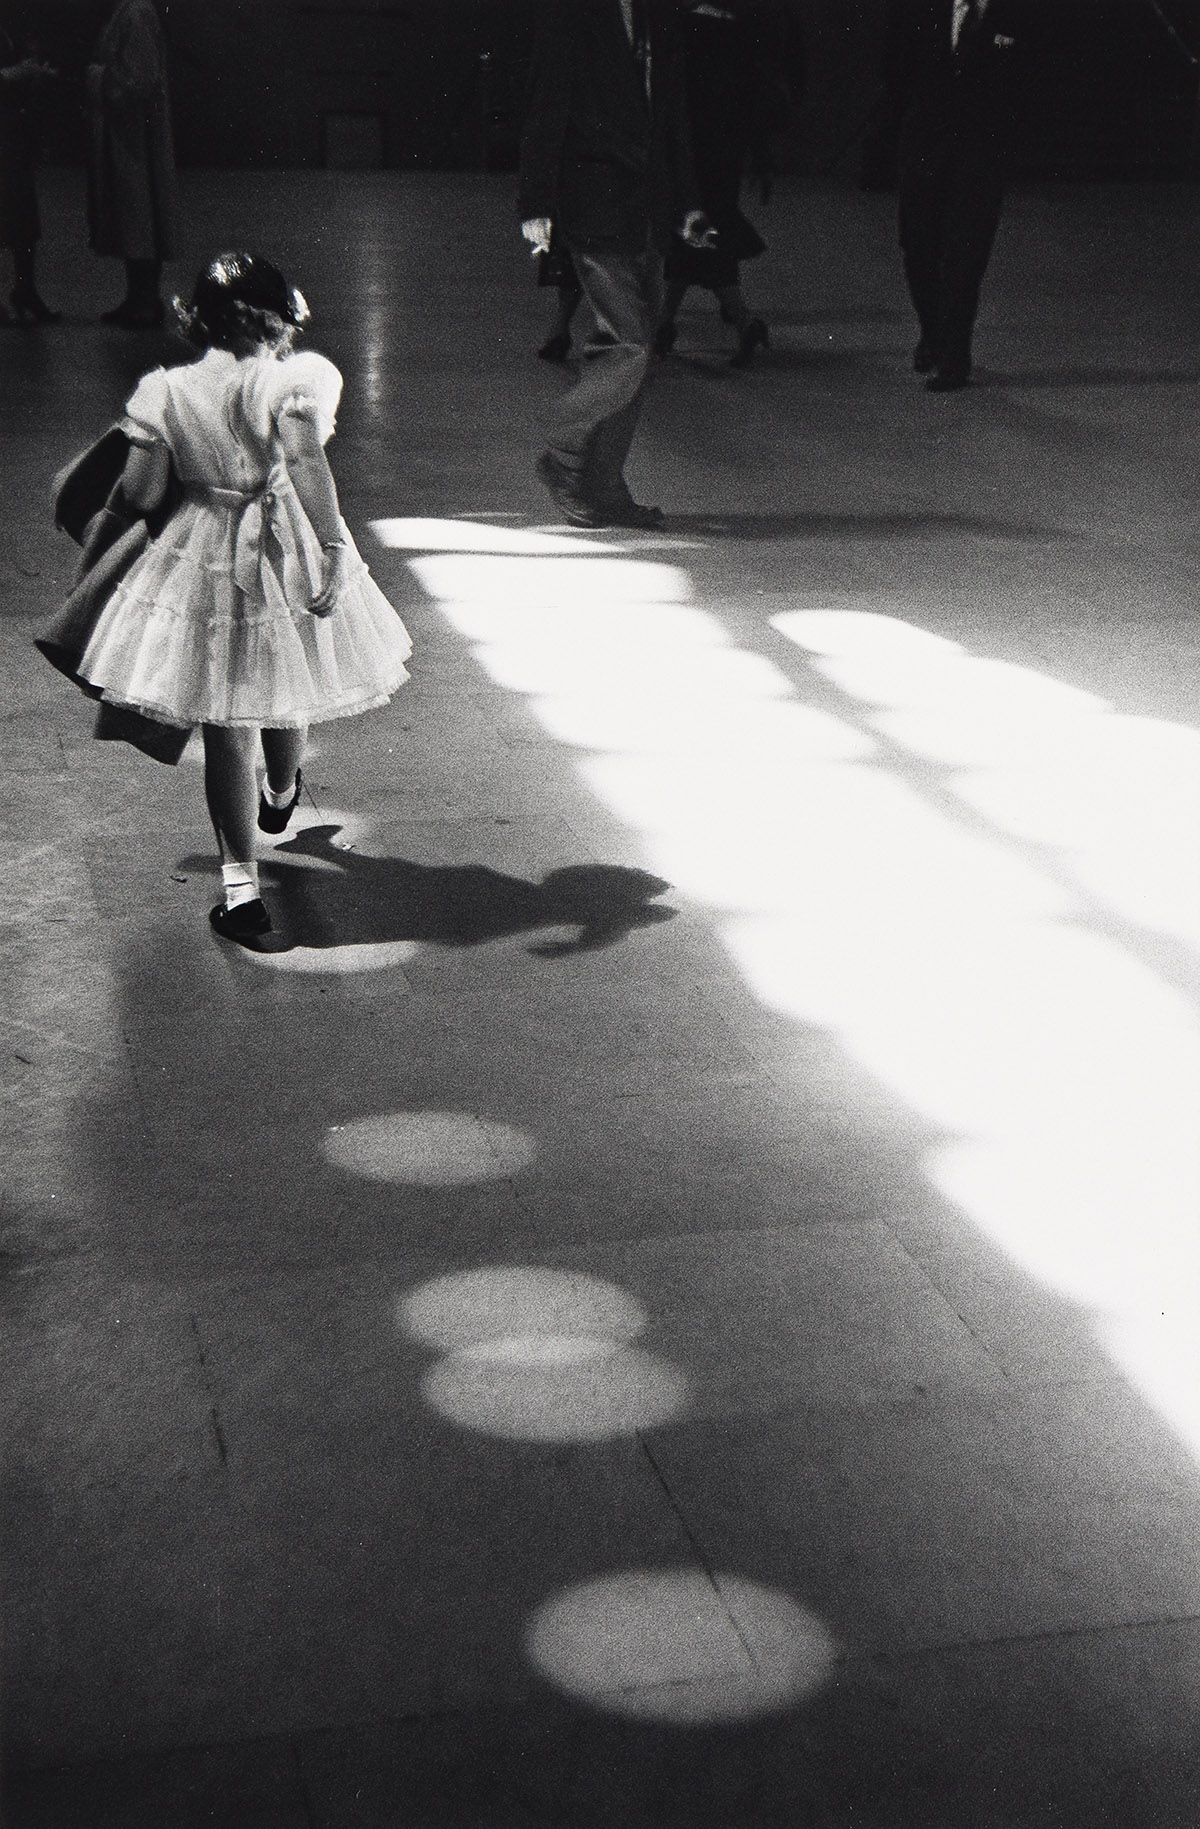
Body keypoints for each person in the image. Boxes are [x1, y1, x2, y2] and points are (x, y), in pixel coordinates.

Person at [71, 252, 413, 944]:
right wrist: (331, 543)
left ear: (196, 320)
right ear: (282, 321)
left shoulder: (164, 390)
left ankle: (240, 891)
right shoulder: (293, 381)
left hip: (204, 544)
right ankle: (281, 792)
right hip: (285, 539)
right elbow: (306, 459)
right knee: (289, 673)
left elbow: (142, 492)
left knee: (226, 723)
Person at [518, 0, 713, 529]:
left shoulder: (659, 15)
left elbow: (673, 120)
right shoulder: (571, 13)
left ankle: (604, 485)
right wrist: (535, 201)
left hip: (649, 208)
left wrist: (689, 204)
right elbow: (546, 104)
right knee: (629, 344)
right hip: (594, 202)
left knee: (637, 354)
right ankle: (562, 453)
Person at [883, 0, 1024, 391]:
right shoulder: (919, 10)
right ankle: (933, 332)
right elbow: (894, 72)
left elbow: (1031, 81)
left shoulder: (1016, 14)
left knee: (965, 257)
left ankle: (955, 356)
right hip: (923, 148)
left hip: (982, 156)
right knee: (918, 248)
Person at [655, 1, 793, 368]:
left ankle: (725, 321)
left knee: (695, 233)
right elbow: (753, 97)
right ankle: (678, 322)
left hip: (694, 147)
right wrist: (759, 155)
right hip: (722, 150)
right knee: (703, 232)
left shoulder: (682, 29)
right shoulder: (740, 29)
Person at [87, 0, 178, 329]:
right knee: (132, 217)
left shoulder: (135, 12)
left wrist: (98, 78)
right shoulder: (126, 10)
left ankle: (146, 299)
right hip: (127, 134)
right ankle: (136, 296)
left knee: (140, 215)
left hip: (136, 137)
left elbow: (140, 78)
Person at [0, 16, 59, 324]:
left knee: (22, 215)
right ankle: (24, 291)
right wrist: (19, 74)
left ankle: (25, 289)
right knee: (14, 213)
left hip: (11, 137)